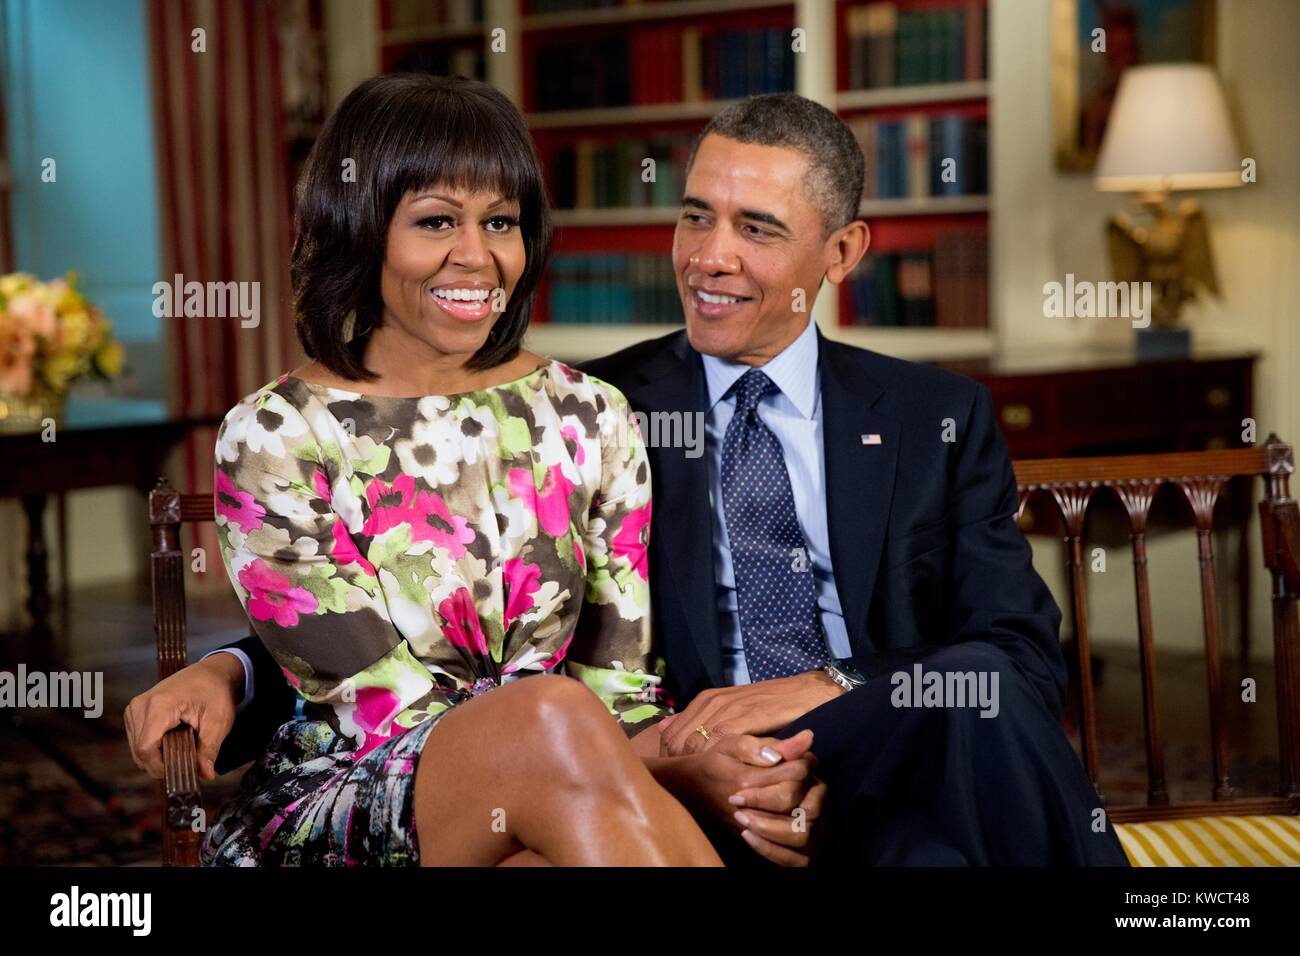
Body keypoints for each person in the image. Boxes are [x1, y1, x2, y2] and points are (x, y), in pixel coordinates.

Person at [132, 89, 1131, 867]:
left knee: (980, 699)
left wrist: (821, 685)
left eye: (758, 229)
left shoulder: (928, 417)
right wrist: (240, 666)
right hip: (642, 771)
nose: (710, 258)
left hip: (852, 748)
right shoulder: (610, 400)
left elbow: (1018, 650)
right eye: (697, 216)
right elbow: (393, 621)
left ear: (841, 251)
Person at [126, 74, 828, 867]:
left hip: (570, 783)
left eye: (501, 221)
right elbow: (381, 708)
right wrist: (645, 758)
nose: (477, 256)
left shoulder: (591, 413)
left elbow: (620, 688)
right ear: (361, 229)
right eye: (435, 221)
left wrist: (713, 763)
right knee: (548, 725)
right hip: (358, 795)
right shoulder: (272, 435)